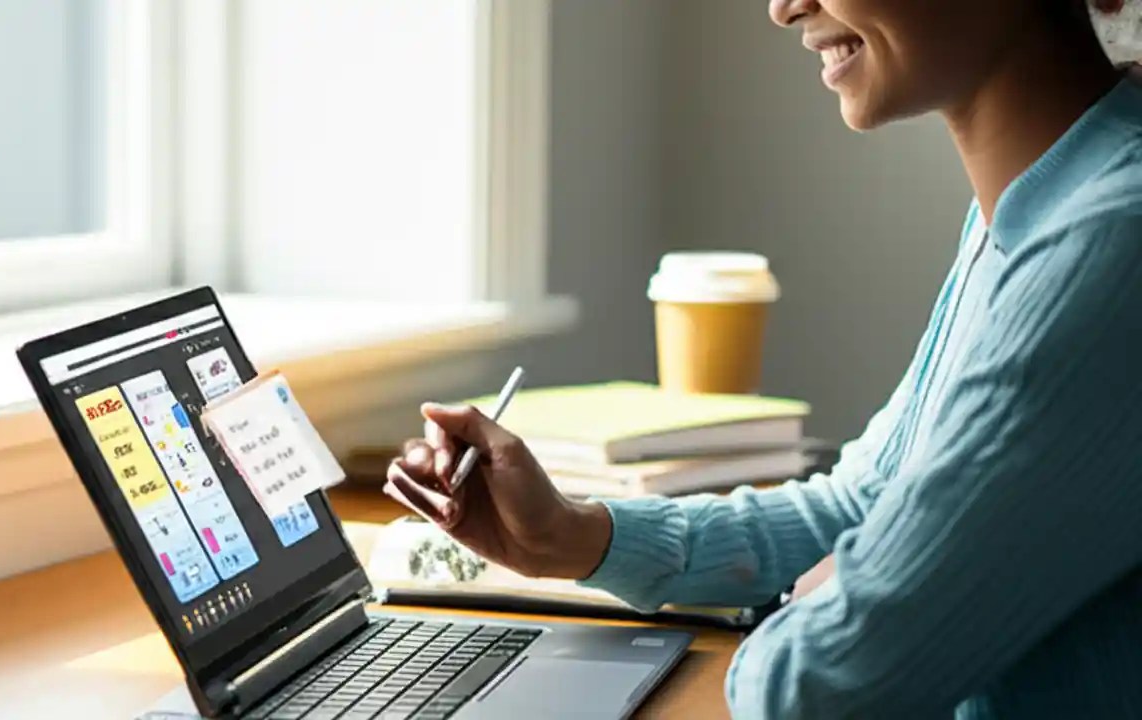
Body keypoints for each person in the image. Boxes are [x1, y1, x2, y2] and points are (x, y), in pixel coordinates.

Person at [387, 1, 1142, 717]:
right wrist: (572, 534)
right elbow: (862, 504)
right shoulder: (1031, 214)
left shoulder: (1110, 245)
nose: (783, 8)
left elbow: (818, 691)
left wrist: (819, 603)